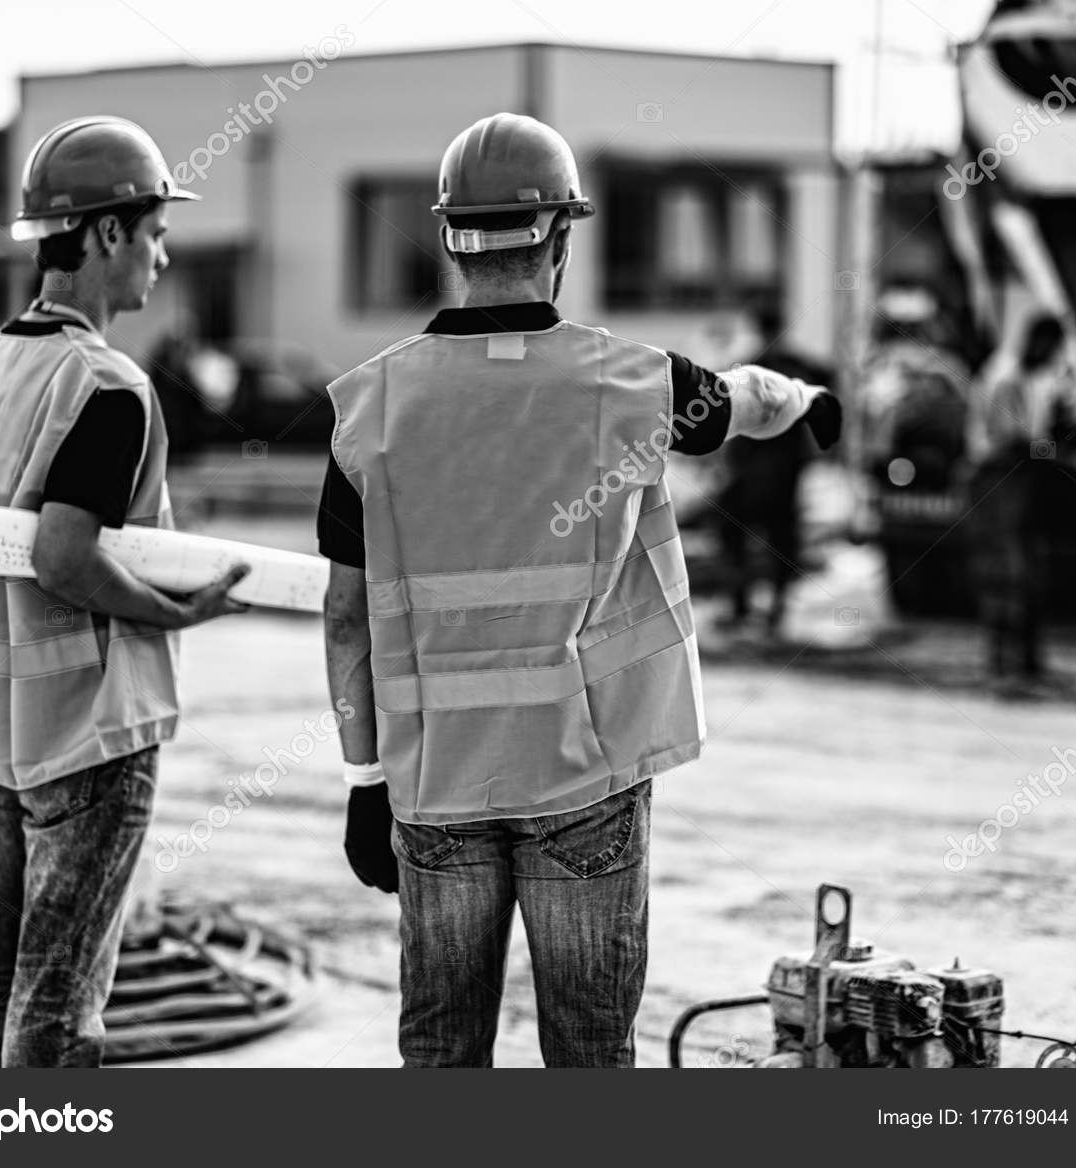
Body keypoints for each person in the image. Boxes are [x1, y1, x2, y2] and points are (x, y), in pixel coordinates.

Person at [318, 113, 831, 1067]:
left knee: (441, 1052)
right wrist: (809, 402)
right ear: (560, 236)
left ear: (448, 239)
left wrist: (363, 781)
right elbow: (749, 400)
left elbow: (346, 615)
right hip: (584, 780)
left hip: (434, 790)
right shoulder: (631, 383)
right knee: (591, 1053)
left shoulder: (369, 407)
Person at [0, 116, 250, 1067]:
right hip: (86, 735)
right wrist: (178, 611)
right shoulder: (105, 386)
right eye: (153, 231)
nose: (163, 252)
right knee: (60, 1010)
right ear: (108, 233)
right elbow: (64, 558)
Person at [712, 308, 834, 636]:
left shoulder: (751, 366)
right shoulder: (798, 366)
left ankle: (744, 605)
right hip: (783, 469)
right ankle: (773, 608)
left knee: (735, 530)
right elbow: (826, 385)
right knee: (780, 537)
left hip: (756, 468)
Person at [965, 312, 1069, 682]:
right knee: (1006, 568)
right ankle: (1004, 659)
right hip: (998, 477)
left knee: (1027, 567)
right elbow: (1010, 437)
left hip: (1019, 478)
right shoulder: (1006, 377)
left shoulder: (1033, 378)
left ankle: (1025, 660)